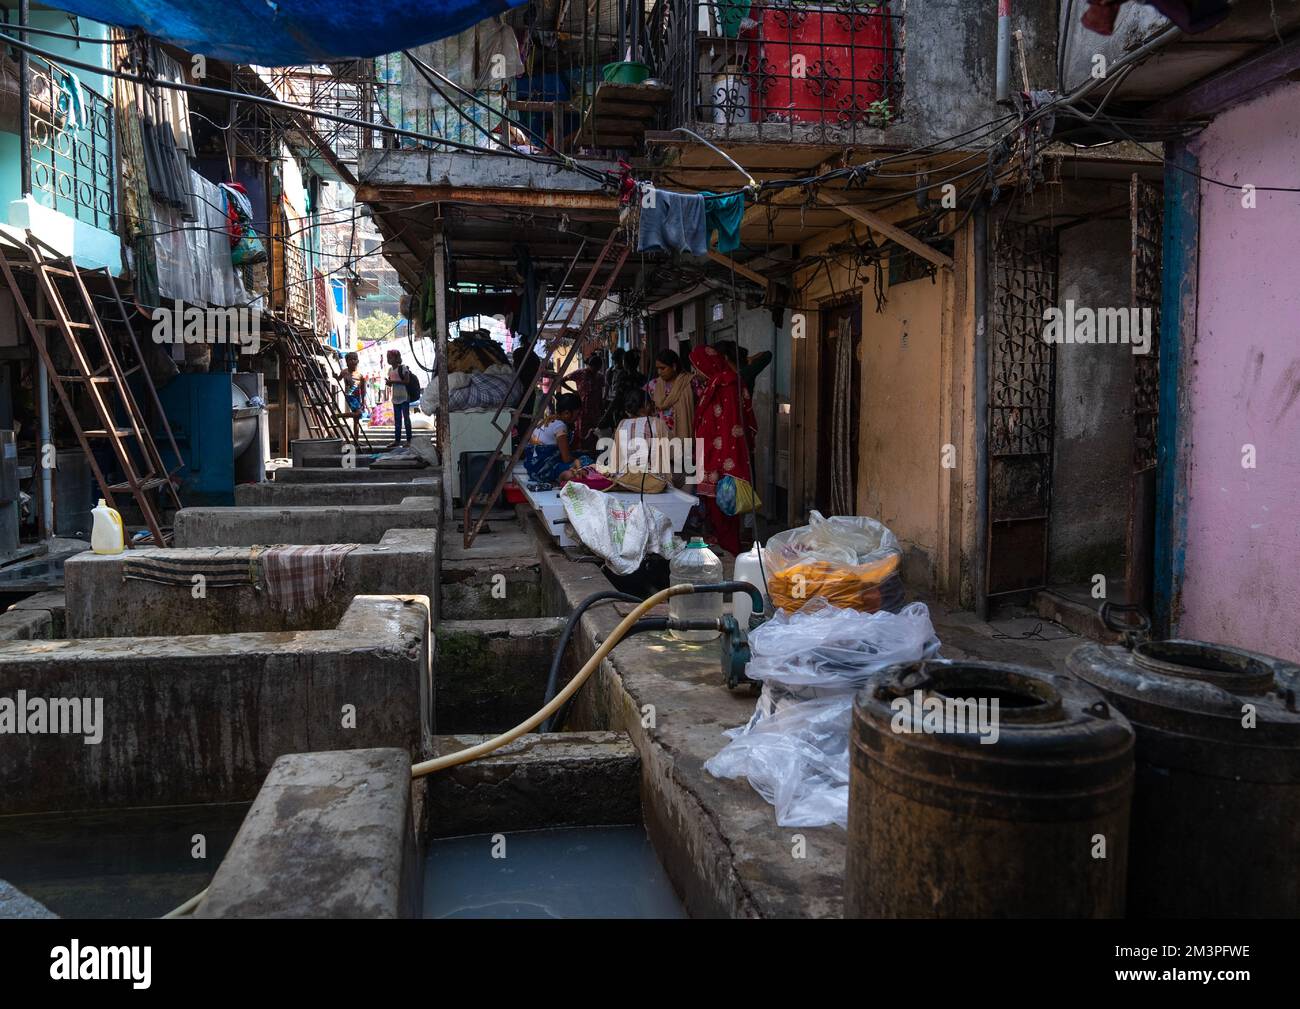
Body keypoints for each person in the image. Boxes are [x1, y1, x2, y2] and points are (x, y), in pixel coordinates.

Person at [690, 345, 757, 557]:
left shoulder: (727, 384)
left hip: (723, 459)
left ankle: (733, 553)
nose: (694, 372)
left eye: (696, 367)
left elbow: (733, 426)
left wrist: (727, 464)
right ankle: (726, 550)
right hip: (709, 456)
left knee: (725, 508)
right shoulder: (713, 385)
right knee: (715, 510)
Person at [523, 392, 593, 485]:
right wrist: (576, 460)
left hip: (533, 469)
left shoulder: (547, 421)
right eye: (577, 414)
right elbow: (566, 459)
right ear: (567, 413)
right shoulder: (560, 426)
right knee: (586, 461)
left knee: (578, 456)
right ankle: (562, 475)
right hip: (543, 470)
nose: (577, 417)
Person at [646, 348, 695, 441]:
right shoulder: (653, 386)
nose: (659, 372)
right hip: (661, 437)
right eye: (657, 369)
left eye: (663, 368)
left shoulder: (690, 383)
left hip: (685, 435)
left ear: (674, 366)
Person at [568, 352, 605, 452]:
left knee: (594, 433)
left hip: (595, 411)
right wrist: (573, 391)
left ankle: (592, 453)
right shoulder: (580, 373)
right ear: (590, 365)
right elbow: (562, 380)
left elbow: (601, 394)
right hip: (582, 410)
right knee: (580, 432)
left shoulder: (600, 377)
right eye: (594, 368)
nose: (596, 370)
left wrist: (602, 410)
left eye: (598, 368)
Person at [385, 348, 416, 447]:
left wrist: (392, 382)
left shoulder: (403, 368)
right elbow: (391, 384)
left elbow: (406, 381)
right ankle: (397, 441)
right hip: (395, 398)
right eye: (388, 357)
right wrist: (388, 383)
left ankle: (409, 440)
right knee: (397, 420)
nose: (388, 359)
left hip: (404, 396)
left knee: (406, 418)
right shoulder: (390, 370)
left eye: (390, 357)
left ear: (396, 358)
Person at [339, 352, 366, 439]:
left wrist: (363, 401)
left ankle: (356, 440)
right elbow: (338, 378)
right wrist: (335, 376)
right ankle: (339, 416)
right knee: (358, 413)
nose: (352, 361)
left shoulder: (360, 376)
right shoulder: (344, 372)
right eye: (350, 359)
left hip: (357, 397)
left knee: (356, 420)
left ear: (357, 361)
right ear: (346, 362)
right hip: (350, 395)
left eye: (354, 359)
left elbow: (363, 390)